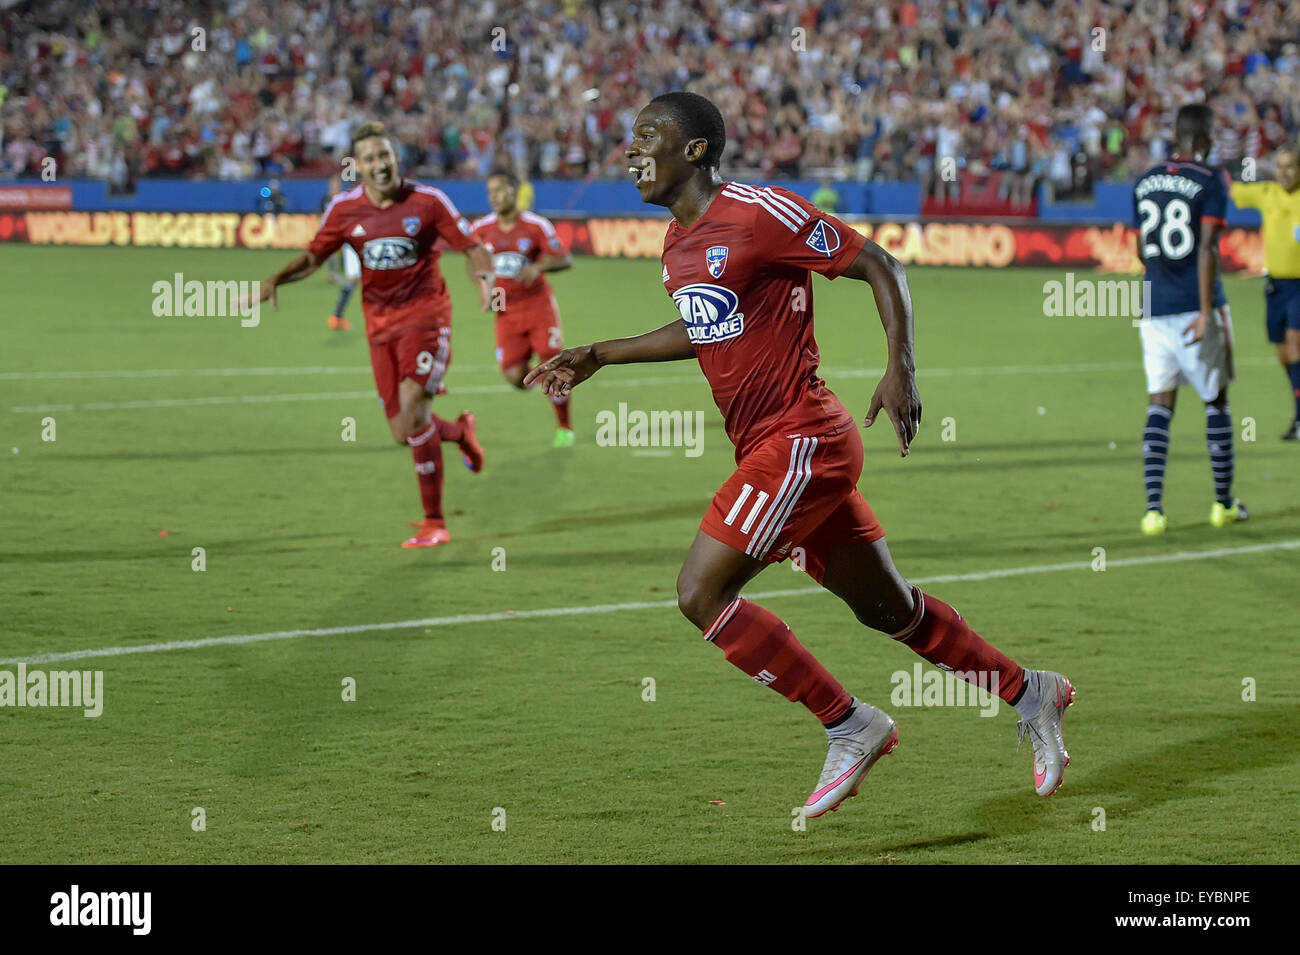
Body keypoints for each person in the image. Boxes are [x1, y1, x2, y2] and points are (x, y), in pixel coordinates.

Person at [526, 91, 1075, 818]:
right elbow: (705, 326)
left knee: (700, 591)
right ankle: (1031, 690)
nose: (631, 150)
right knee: (891, 610)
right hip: (775, 448)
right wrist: (600, 352)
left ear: (694, 150)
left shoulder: (757, 212)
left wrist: (900, 366)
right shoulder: (678, 243)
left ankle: (851, 724)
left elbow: (879, 262)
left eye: (646, 136)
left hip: (802, 439)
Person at [250, 122, 491, 548]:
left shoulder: (428, 201)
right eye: (371, 159)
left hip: (426, 317)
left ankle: (435, 522)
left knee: (415, 410)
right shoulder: (344, 210)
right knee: (403, 433)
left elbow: (472, 247)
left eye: (386, 156)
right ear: (357, 166)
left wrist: (484, 283)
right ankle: (458, 432)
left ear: (396, 158)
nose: (381, 165)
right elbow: (312, 258)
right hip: (379, 327)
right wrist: (276, 279)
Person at [1133, 104, 1247, 535]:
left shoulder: (1144, 179)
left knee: (1159, 405)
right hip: (1195, 307)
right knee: (1215, 402)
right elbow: (1207, 250)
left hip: (1153, 307)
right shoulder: (1211, 179)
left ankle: (1153, 511)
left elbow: (1142, 249)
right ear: (1205, 137)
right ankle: (1222, 504)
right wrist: (1203, 312)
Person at [469, 168, 576, 446]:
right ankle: (544, 380)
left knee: (553, 365)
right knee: (514, 376)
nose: (494, 197)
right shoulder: (480, 229)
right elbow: (473, 261)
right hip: (506, 312)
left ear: (515, 192)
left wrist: (538, 266)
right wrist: (484, 290)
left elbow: (564, 259)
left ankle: (564, 426)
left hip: (538, 306)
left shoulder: (535, 226)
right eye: (490, 191)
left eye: (500, 190)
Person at [1230, 147, 1300, 440]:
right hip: (1274, 287)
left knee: (1296, 347)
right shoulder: (1267, 193)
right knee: (1283, 353)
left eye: (1291, 167)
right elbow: (1232, 190)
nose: (1284, 173)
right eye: (1280, 167)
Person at [321, 177, 359, 331]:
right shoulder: (346, 203)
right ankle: (336, 317)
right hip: (354, 245)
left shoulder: (345, 201)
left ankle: (336, 317)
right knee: (354, 280)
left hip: (356, 245)